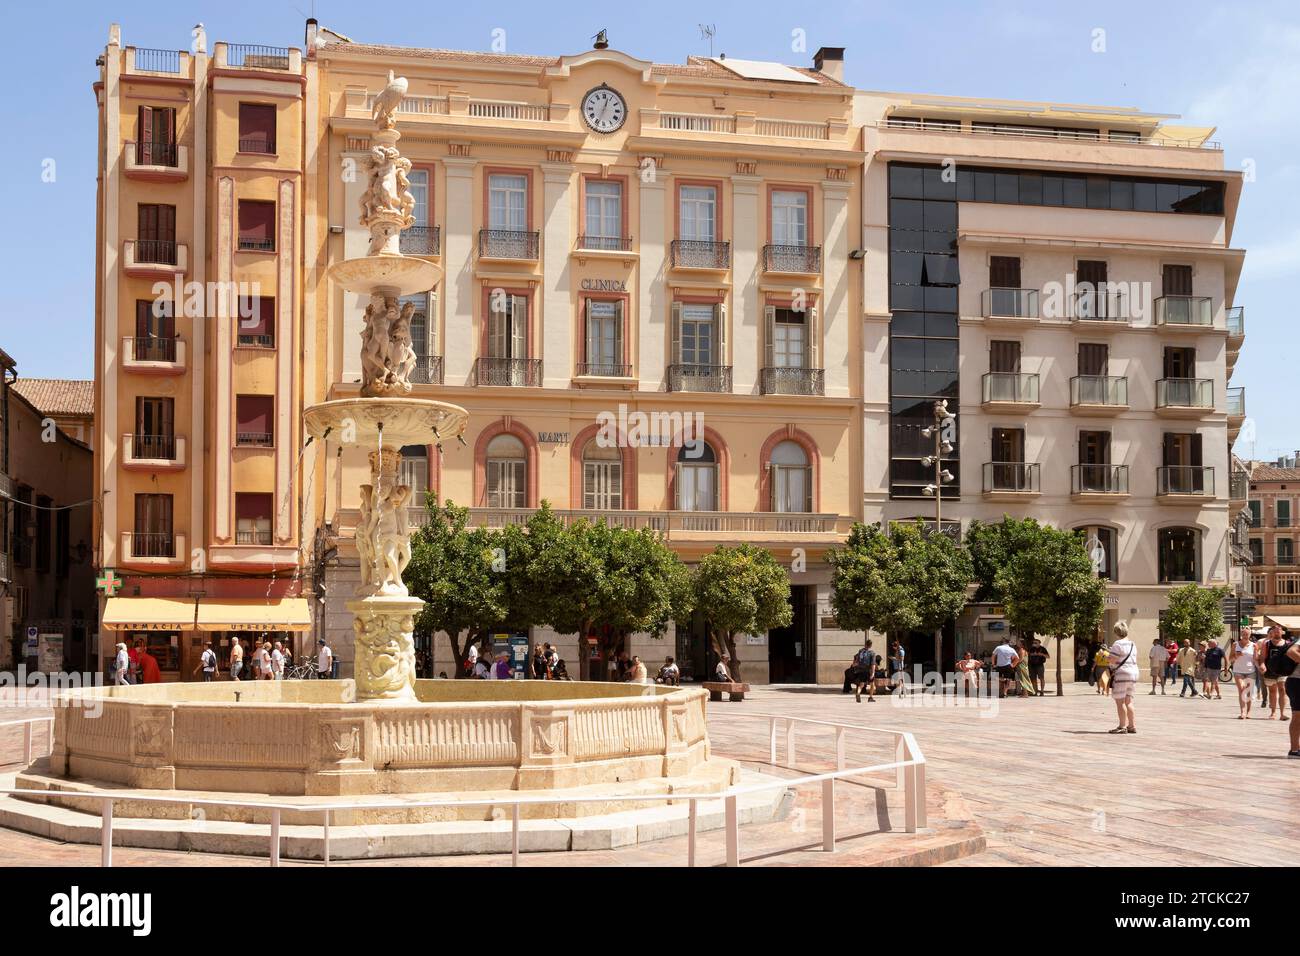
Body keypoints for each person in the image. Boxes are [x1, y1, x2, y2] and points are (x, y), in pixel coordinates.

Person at [1107, 621, 1139, 734]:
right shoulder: (1132, 644)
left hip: (1122, 674)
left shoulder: (1117, 644)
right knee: (1128, 701)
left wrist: (1106, 655)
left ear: (1116, 632)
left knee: (1120, 702)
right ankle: (1132, 725)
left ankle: (1122, 726)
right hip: (1134, 673)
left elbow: (1113, 660)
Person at [1258, 626, 1293, 720]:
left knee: (1282, 690)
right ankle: (1273, 712)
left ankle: (1282, 713)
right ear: (1272, 633)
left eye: (1278, 631)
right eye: (1275, 632)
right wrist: (1262, 664)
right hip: (1270, 670)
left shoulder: (1287, 643)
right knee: (1272, 692)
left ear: (1282, 633)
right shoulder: (1267, 643)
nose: (1277, 633)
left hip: (1283, 671)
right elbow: (1262, 656)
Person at [1228, 628, 1257, 719]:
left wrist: (1260, 667)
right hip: (1238, 671)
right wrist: (1236, 656)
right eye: (1244, 634)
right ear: (1241, 634)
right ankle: (1242, 712)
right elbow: (1230, 659)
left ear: (1250, 635)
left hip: (1250, 671)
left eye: (1247, 634)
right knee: (1241, 689)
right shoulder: (1235, 644)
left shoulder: (1254, 645)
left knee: (1248, 692)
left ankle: (1248, 712)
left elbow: (1256, 659)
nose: (1245, 636)